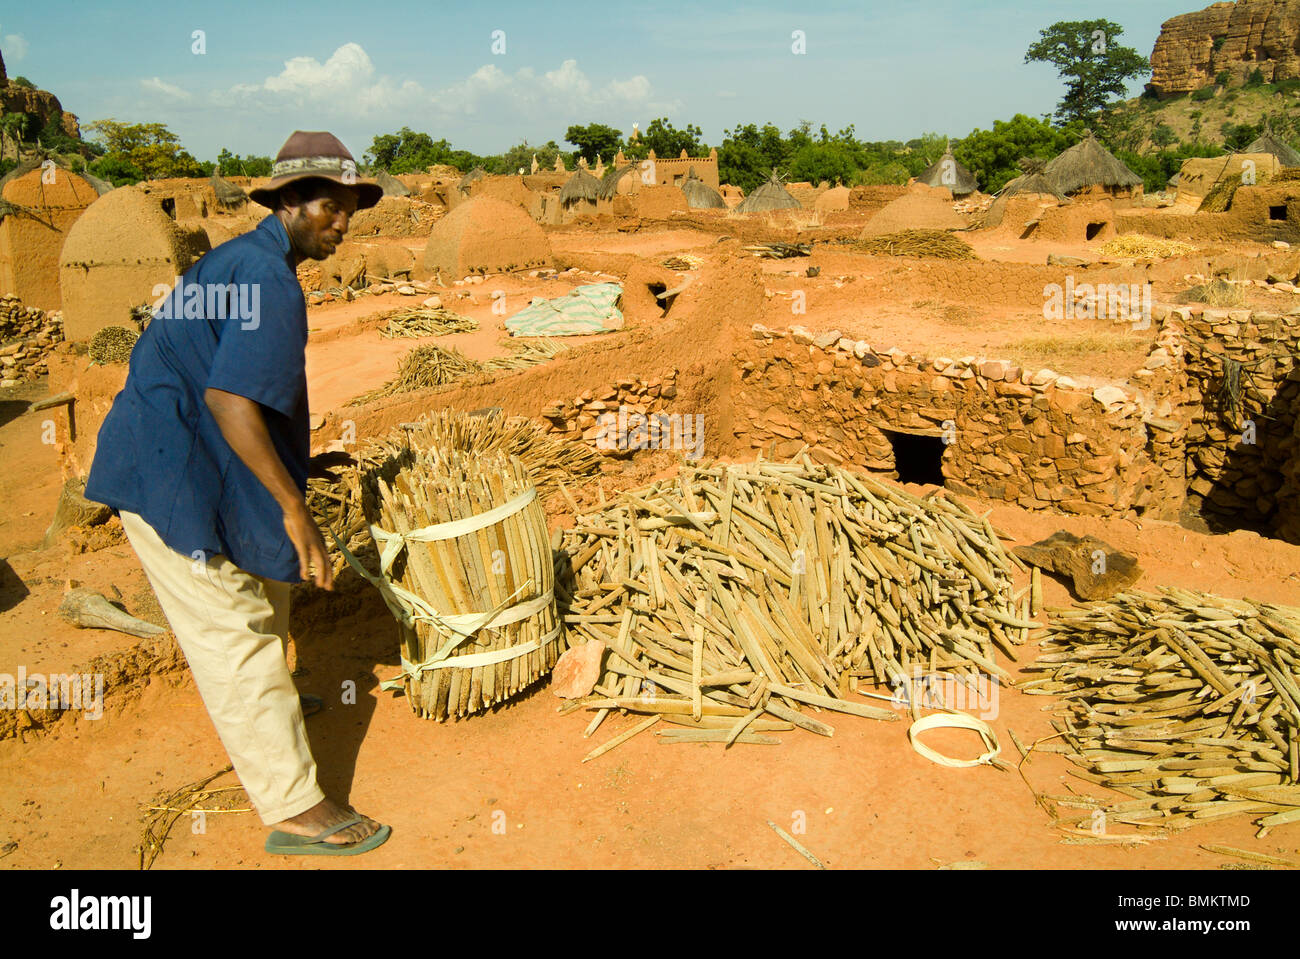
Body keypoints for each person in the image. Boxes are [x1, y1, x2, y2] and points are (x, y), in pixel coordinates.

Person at [85, 131, 391, 856]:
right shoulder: (267, 279)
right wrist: (293, 507)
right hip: (168, 472)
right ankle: (296, 809)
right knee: (237, 631)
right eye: (328, 207)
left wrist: (300, 466)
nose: (341, 224)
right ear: (288, 201)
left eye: (349, 209)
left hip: (186, 450)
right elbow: (228, 399)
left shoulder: (246, 263)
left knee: (264, 589)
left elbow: (230, 385)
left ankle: (274, 711)